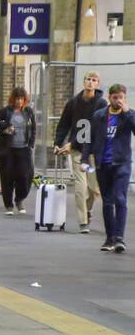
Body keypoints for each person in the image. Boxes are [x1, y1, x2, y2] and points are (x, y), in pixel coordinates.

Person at [82, 83, 135, 252]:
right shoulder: (99, 115)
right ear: (109, 98)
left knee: (120, 198)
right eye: (115, 97)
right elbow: (89, 138)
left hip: (122, 163)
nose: (118, 101)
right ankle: (109, 238)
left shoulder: (129, 115)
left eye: (121, 97)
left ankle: (119, 238)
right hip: (103, 164)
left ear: (124, 98)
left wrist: (127, 112)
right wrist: (84, 159)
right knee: (107, 202)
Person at [54, 71, 106, 235]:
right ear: (84, 82)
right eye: (88, 79)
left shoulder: (101, 104)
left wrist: (71, 143)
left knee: (94, 189)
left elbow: (93, 128)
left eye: (94, 80)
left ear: (97, 84)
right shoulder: (73, 103)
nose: (90, 82)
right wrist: (58, 143)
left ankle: (88, 209)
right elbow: (64, 124)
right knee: (80, 186)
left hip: (92, 154)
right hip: (78, 154)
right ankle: (83, 222)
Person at [0, 86, 36, 216]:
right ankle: (8, 205)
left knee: (26, 176)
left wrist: (31, 144)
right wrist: (5, 130)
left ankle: (19, 199)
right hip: (8, 149)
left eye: (21, 99)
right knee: (7, 177)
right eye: (17, 99)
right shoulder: (5, 111)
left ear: (25, 100)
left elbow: (33, 128)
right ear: (13, 99)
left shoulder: (28, 112)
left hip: (24, 148)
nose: (19, 101)